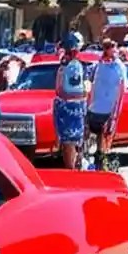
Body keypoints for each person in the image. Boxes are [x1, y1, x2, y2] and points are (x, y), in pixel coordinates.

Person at [87, 38, 128, 171]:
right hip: (95, 107)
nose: (111, 51)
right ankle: (95, 159)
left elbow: (122, 89)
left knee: (105, 136)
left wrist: (116, 111)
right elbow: (91, 85)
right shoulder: (98, 66)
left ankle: (103, 162)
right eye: (108, 48)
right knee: (95, 134)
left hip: (109, 108)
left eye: (111, 48)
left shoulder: (119, 67)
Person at [52, 33, 90, 170]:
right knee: (70, 141)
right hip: (71, 106)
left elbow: (63, 88)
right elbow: (60, 89)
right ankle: (71, 168)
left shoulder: (75, 65)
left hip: (74, 106)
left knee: (74, 141)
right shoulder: (68, 66)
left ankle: (74, 167)